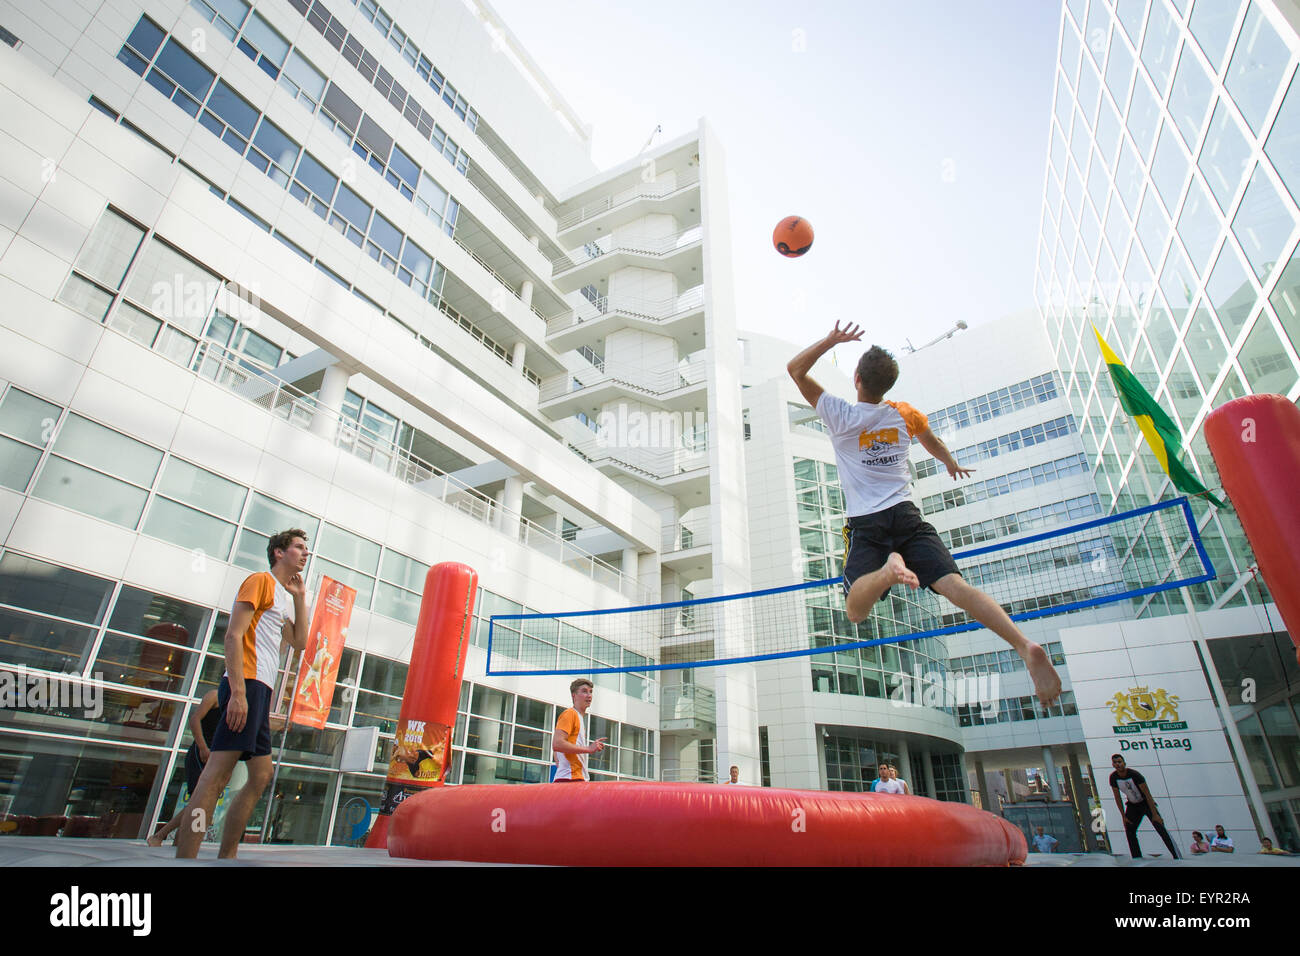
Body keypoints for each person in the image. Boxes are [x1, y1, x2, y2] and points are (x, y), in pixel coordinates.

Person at [787, 325, 1061, 707]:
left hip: (867, 522)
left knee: (854, 610)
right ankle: (1023, 643)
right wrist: (949, 462)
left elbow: (795, 370)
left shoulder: (841, 414)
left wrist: (831, 341)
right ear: (887, 385)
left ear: (857, 379)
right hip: (907, 515)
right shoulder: (904, 415)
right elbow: (931, 438)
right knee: (958, 589)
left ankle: (887, 573)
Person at [175, 530, 310, 859]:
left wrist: (299, 597)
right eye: (299, 547)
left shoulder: (281, 594)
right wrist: (237, 693)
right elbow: (233, 636)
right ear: (279, 552)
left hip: (260, 688)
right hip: (245, 684)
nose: (305, 553)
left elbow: (301, 642)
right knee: (216, 774)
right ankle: (186, 854)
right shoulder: (259, 581)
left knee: (262, 775)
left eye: (306, 548)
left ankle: (228, 853)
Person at [146, 688, 219, 847]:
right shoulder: (214, 695)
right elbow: (194, 719)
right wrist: (203, 748)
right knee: (200, 802)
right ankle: (159, 836)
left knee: (202, 803)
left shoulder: (236, 701)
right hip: (202, 753)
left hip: (216, 757)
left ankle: (178, 842)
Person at [1108, 754, 1180, 859]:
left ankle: (1176, 855)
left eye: (1119, 762)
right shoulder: (1113, 777)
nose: (1118, 764)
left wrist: (1155, 814)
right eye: (1115, 762)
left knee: (1160, 827)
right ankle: (1136, 857)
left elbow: (1147, 794)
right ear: (1113, 765)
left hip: (1145, 803)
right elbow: (1117, 797)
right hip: (1132, 805)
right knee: (1130, 830)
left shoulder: (1135, 775)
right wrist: (1123, 816)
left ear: (1124, 763)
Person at [552, 678, 606, 782]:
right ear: (574, 695)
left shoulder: (579, 717)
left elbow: (556, 748)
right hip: (570, 779)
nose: (589, 695)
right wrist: (589, 749)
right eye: (584, 691)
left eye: (590, 692)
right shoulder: (570, 713)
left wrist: (562, 764)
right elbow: (557, 744)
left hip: (574, 778)